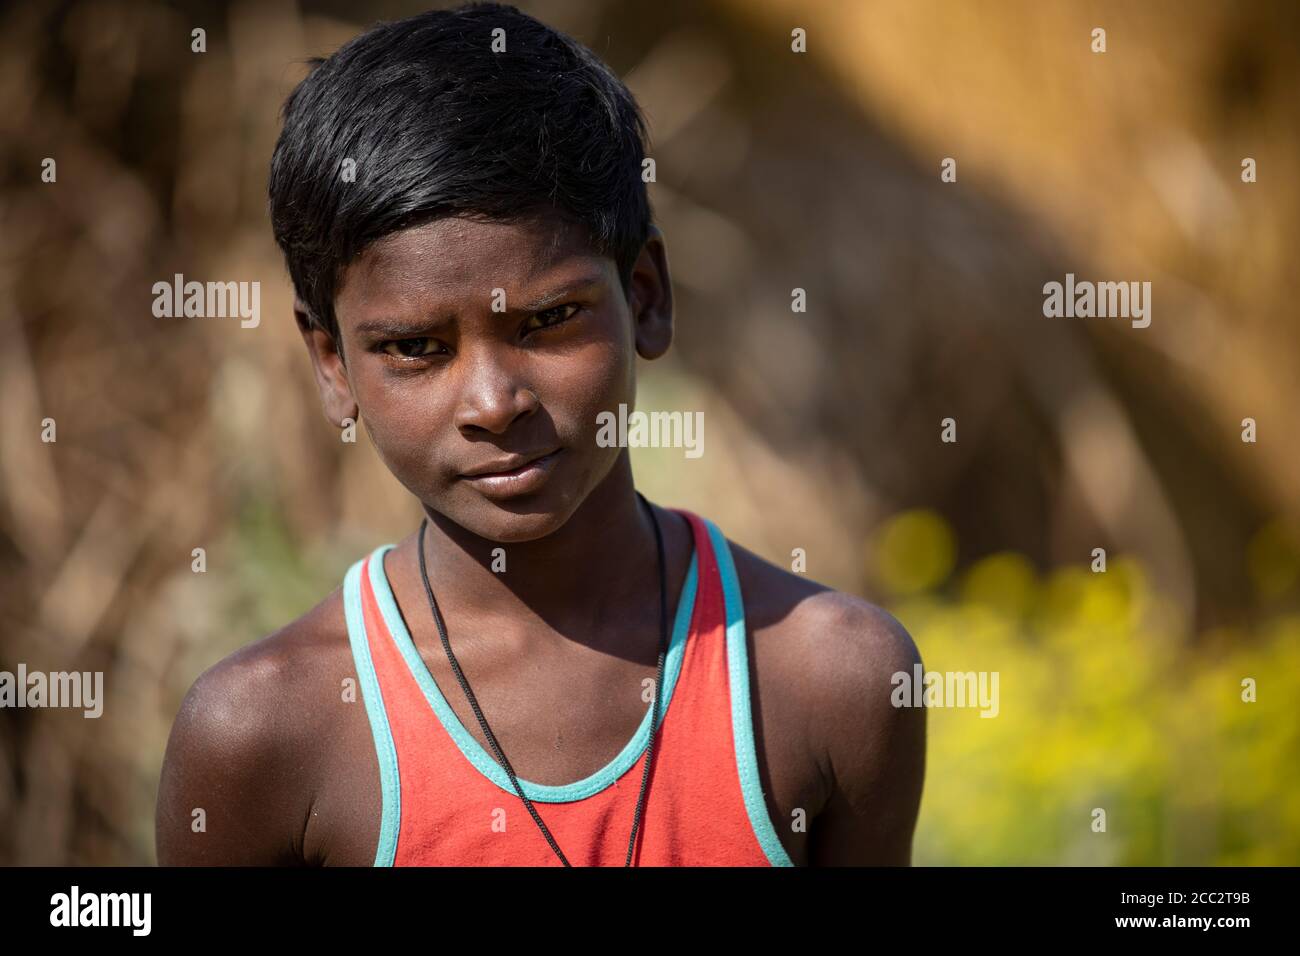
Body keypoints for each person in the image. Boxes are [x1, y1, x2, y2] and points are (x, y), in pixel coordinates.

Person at [155, 1, 924, 866]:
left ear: (646, 297)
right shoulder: (266, 735)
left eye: (549, 320)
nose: (493, 401)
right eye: (415, 348)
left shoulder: (827, 681)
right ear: (333, 365)